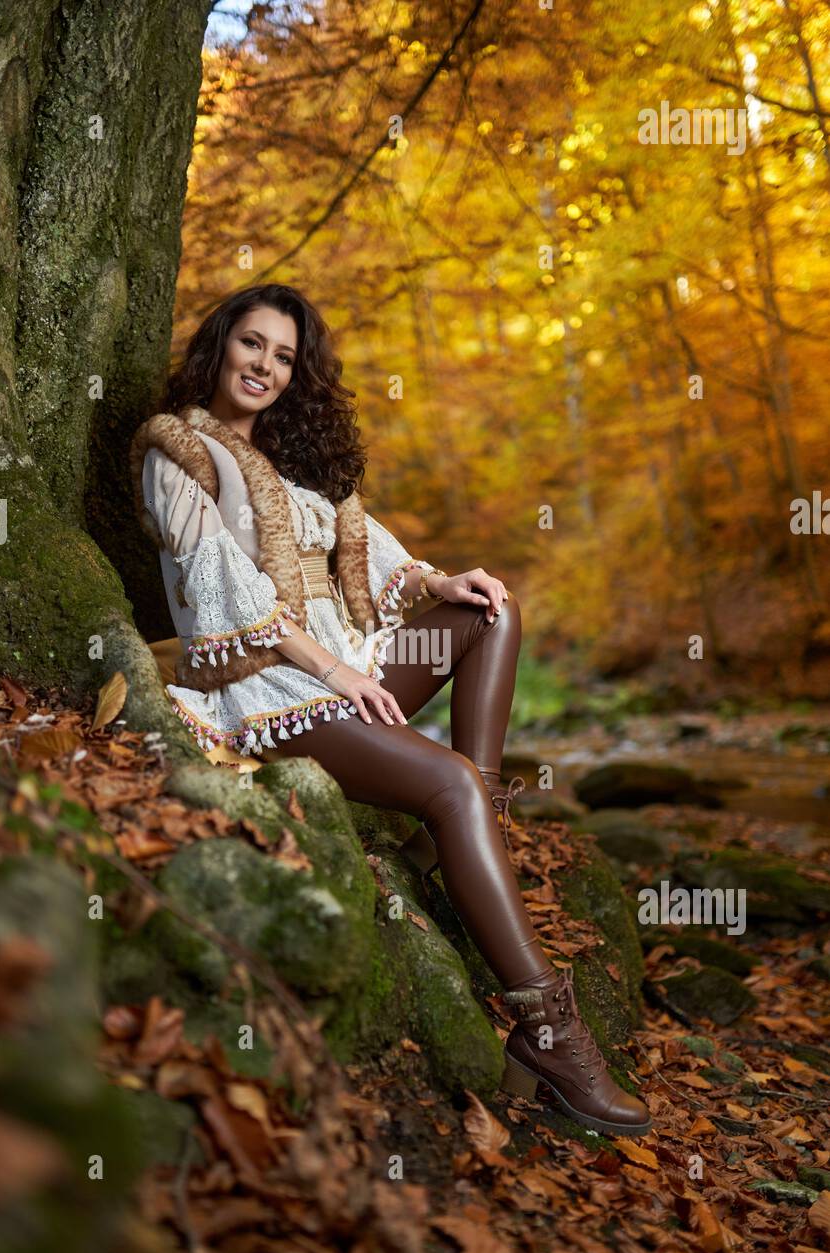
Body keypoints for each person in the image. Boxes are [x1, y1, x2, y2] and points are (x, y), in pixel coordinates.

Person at [130, 283, 651, 1136]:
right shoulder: (179, 454)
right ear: (220, 345)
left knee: (492, 608)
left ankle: (471, 821)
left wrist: (441, 585)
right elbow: (222, 596)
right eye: (252, 345)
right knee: (447, 782)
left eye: (285, 357)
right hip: (268, 687)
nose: (265, 366)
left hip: (349, 672)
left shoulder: (300, 465)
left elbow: (377, 569)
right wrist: (333, 670)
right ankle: (549, 1032)